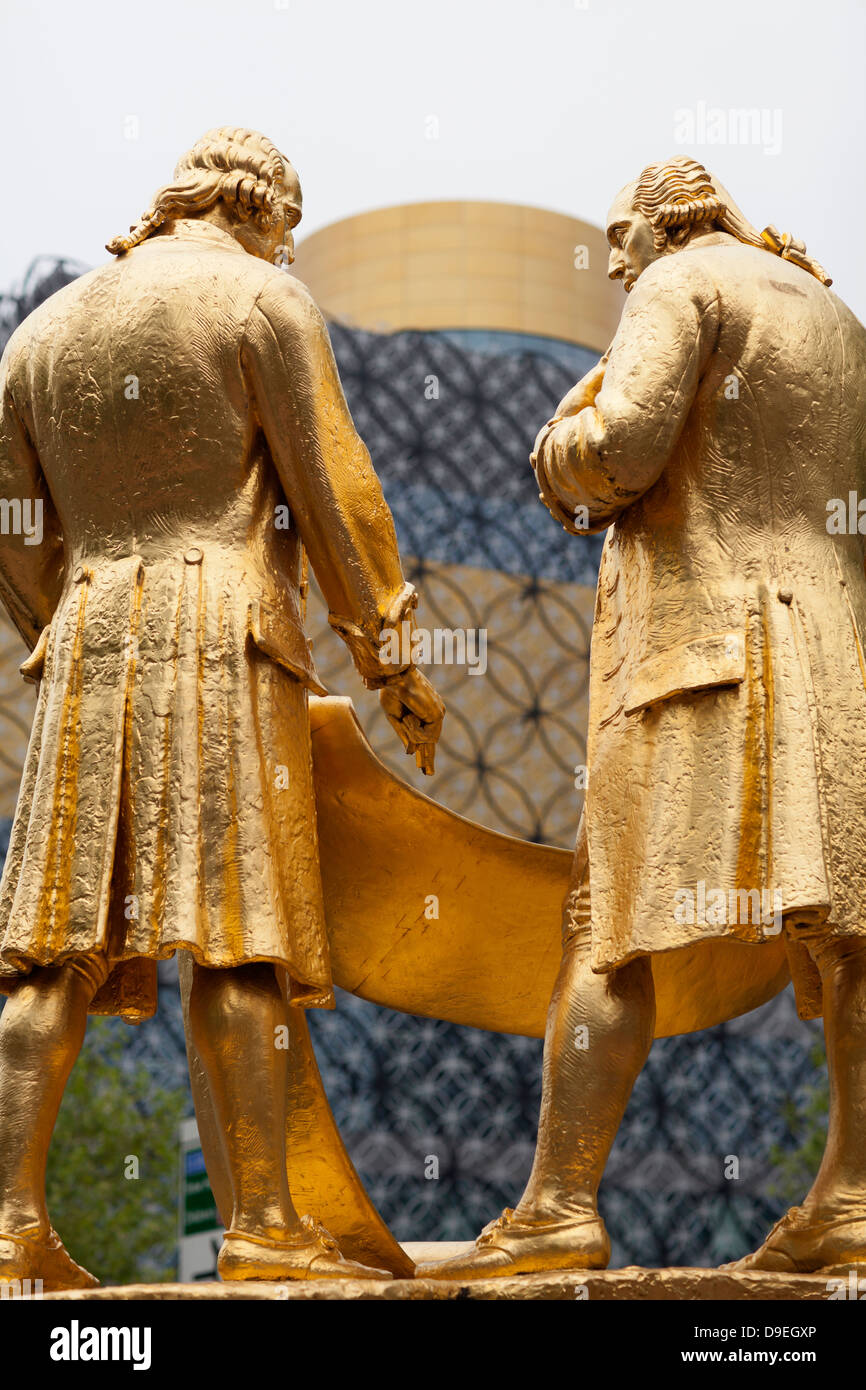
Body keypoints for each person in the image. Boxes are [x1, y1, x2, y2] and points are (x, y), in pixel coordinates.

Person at [0, 126, 444, 1288]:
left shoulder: (41, 333)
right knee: (241, 938)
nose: (286, 247)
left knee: (51, 951)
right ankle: (263, 1228)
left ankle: (11, 1227)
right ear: (259, 211)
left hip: (88, 640)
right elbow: (331, 486)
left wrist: (67, 620)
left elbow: (14, 534)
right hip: (223, 631)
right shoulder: (259, 300)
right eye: (286, 227)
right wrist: (388, 651)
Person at [420, 156, 866, 1279]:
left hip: (696, 650)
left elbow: (620, 451)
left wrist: (554, 443)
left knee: (604, 926)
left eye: (617, 238)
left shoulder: (679, 285)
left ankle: (558, 1203)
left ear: (656, 223)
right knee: (845, 932)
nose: (611, 262)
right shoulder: (832, 317)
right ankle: (850, 1194)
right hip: (826, 647)